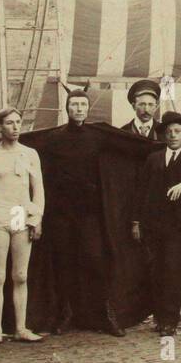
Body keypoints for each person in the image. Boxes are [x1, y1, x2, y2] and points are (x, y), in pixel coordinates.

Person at [36, 87, 123, 336]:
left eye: (83, 105)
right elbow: (28, 141)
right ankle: (65, 313)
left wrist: (160, 147)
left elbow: (128, 144)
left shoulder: (97, 135)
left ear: (88, 108)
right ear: (67, 107)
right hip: (61, 213)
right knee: (64, 263)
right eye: (74, 105)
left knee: (96, 260)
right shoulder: (54, 137)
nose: (79, 109)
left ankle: (103, 313)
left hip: (89, 213)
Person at [0, 106, 45, 347]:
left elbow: (38, 190)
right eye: (10, 123)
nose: (15, 127)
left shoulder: (30, 154)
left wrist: (36, 218)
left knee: (21, 275)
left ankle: (21, 328)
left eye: (18, 122)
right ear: (0, 126)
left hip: (21, 217)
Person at [132, 110, 181, 335]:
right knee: (156, 271)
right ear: (164, 135)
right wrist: (136, 222)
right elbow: (141, 191)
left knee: (173, 272)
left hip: (178, 228)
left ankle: (170, 320)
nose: (173, 135)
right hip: (154, 226)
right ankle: (159, 316)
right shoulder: (154, 158)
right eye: (169, 132)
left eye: (177, 131)